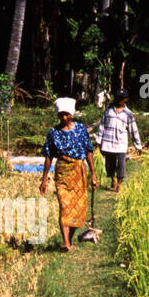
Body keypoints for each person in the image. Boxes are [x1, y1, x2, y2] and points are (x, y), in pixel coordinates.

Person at [39, 98, 97, 251]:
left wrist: (94, 174)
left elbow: (89, 152)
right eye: (61, 115)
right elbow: (48, 156)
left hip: (79, 171)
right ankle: (65, 242)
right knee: (64, 205)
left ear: (71, 114)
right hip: (62, 171)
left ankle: (69, 240)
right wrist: (44, 180)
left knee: (77, 208)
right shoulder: (53, 133)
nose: (64, 118)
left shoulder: (80, 129)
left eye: (66, 115)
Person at [95, 90, 142, 193]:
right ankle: (113, 180)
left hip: (121, 143)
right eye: (117, 98)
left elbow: (133, 130)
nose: (119, 100)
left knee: (121, 164)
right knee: (109, 164)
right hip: (108, 142)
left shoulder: (128, 114)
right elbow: (101, 126)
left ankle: (119, 184)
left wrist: (138, 145)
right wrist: (98, 140)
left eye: (122, 98)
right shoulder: (108, 110)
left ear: (126, 100)